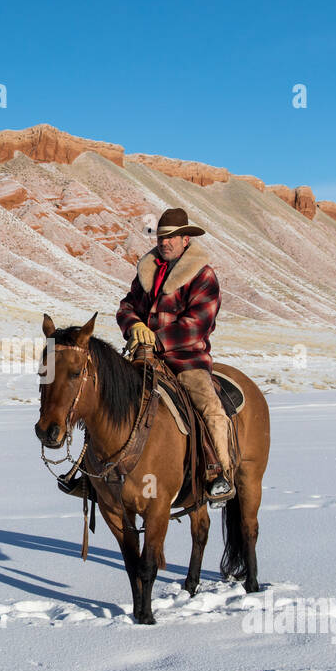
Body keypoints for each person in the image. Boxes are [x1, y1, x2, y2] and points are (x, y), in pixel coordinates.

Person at [116, 207, 235, 501]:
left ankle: (219, 473)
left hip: (186, 360)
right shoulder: (148, 270)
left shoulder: (202, 275)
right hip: (144, 355)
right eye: (161, 237)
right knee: (108, 394)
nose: (165, 242)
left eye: (172, 237)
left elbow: (198, 323)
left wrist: (156, 339)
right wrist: (134, 327)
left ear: (185, 239)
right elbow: (127, 306)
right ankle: (91, 471)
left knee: (210, 408)